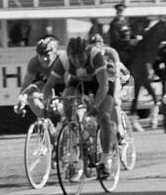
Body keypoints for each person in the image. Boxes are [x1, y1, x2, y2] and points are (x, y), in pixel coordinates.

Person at [45, 36, 118, 165]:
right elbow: (48, 85)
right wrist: (47, 103)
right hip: (79, 81)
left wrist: (95, 105)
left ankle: (106, 159)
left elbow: (104, 85)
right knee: (67, 100)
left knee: (104, 117)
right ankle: (76, 134)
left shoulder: (95, 55)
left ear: (87, 53)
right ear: (69, 56)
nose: (77, 60)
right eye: (73, 57)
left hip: (100, 82)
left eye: (80, 56)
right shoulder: (63, 60)